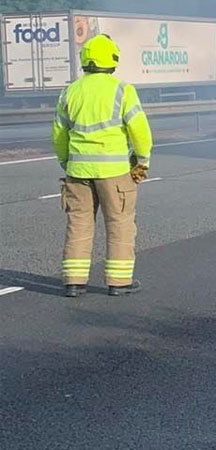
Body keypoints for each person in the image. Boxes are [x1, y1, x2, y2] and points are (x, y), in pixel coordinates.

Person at [51, 34, 153, 298]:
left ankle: (74, 282)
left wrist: (66, 161)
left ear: (85, 59)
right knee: (120, 224)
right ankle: (119, 283)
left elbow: (59, 134)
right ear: (113, 59)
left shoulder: (69, 91)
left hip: (77, 173)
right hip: (115, 174)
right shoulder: (122, 90)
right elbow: (140, 131)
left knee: (79, 224)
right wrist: (142, 160)